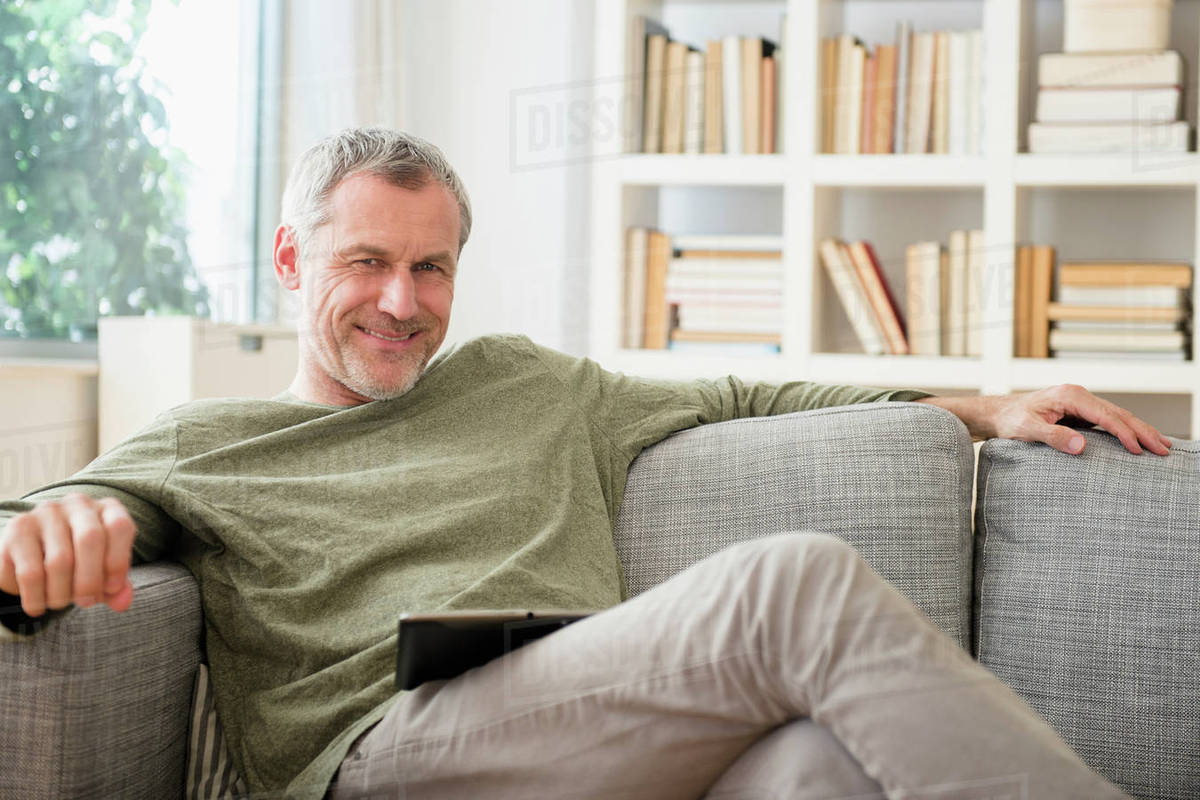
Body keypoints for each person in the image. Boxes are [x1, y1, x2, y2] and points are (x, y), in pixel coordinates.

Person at [0, 128, 1168, 800]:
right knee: (792, 585)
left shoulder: (534, 383)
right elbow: (51, 512)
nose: (402, 305)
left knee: (816, 765)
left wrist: (980, 406)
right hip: (377, 756)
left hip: (573, 736)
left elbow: (750, 393)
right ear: (291, 260)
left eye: (433, 268)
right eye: (366, 263)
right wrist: (45, 527)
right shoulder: (207, 439)